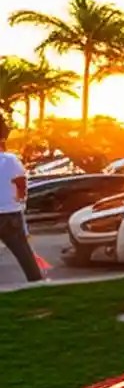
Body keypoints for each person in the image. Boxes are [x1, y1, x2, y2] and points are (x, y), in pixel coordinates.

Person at [0, 116, 44, 284]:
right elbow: (21, 185)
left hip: (10, 212)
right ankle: (37, 284)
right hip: (10, 215)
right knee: (25, 255)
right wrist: (19, 203)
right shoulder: (10, 160)